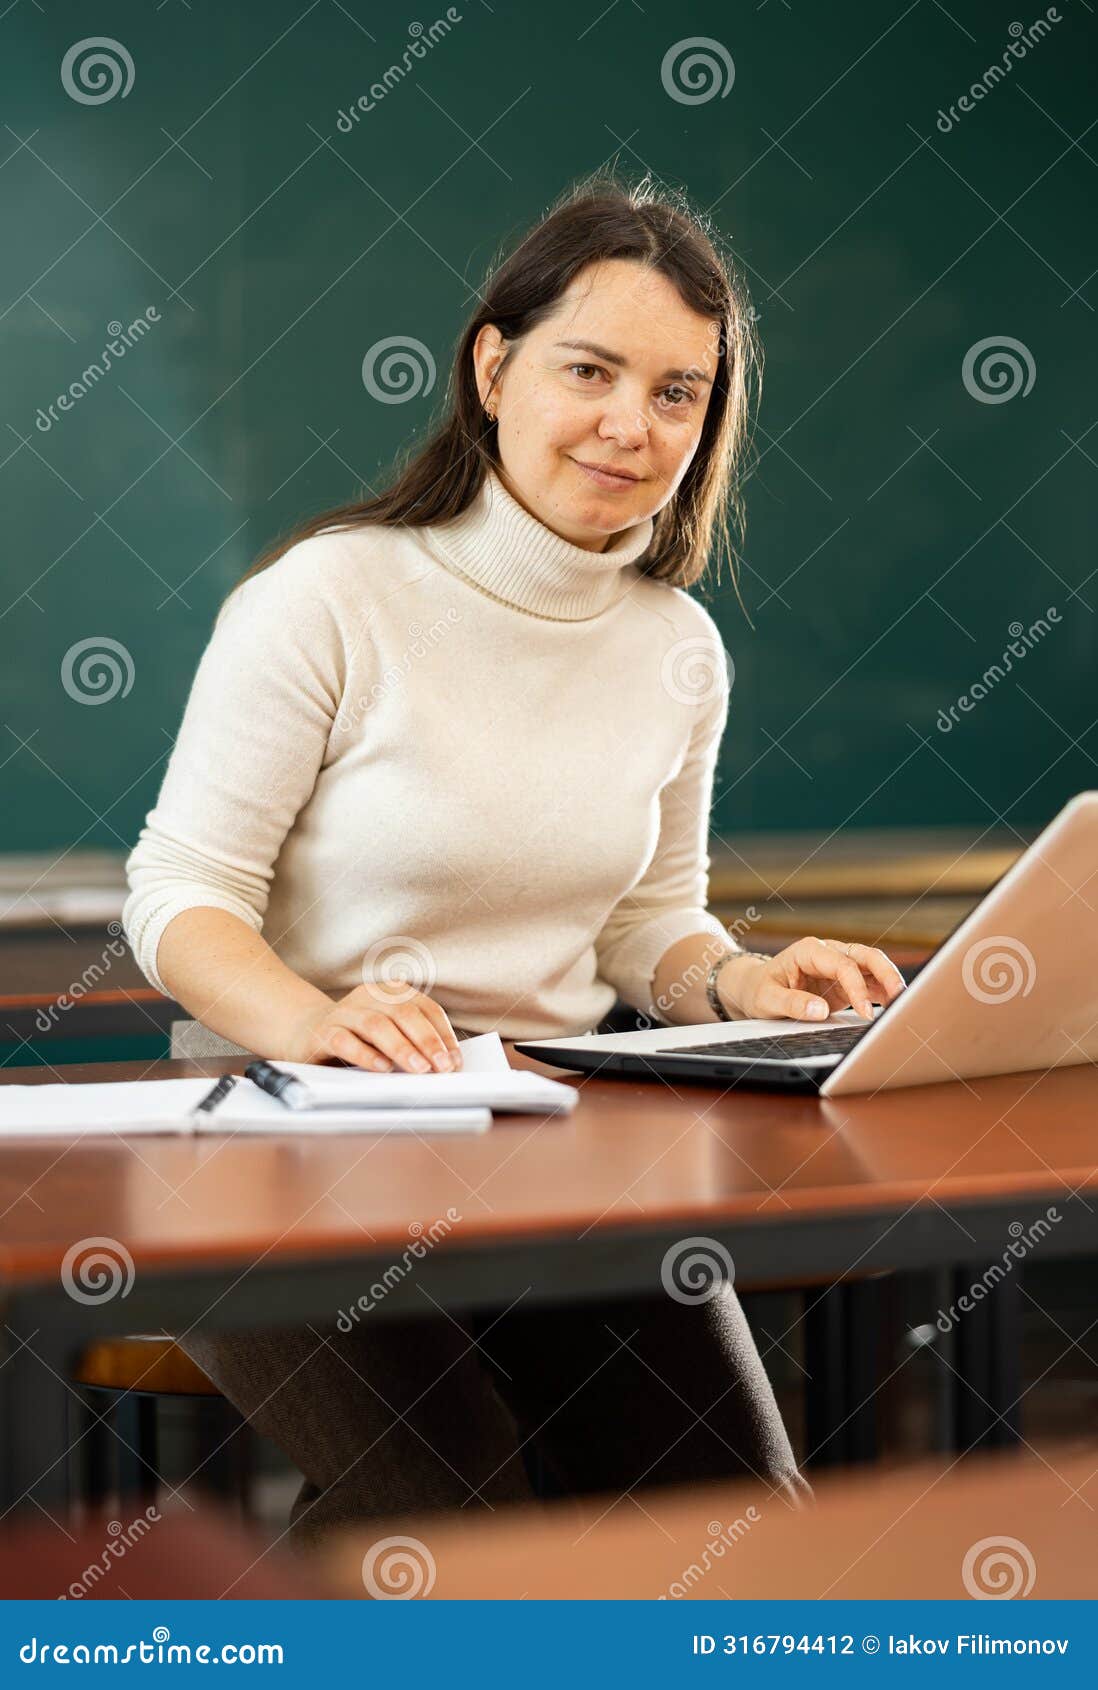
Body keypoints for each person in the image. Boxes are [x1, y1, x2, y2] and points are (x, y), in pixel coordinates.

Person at [122, 172, 906, 1551]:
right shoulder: (328, 597)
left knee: (737, 1532)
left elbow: (645, 929)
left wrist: (739, 979)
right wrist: (317, 1022)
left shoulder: (675, 647)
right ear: (493, 365)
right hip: (280, 1141)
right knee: (449, 1517)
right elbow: (176, 896)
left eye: (676, 393)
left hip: (553, 1139)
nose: (630, 424)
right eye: (589, 370)